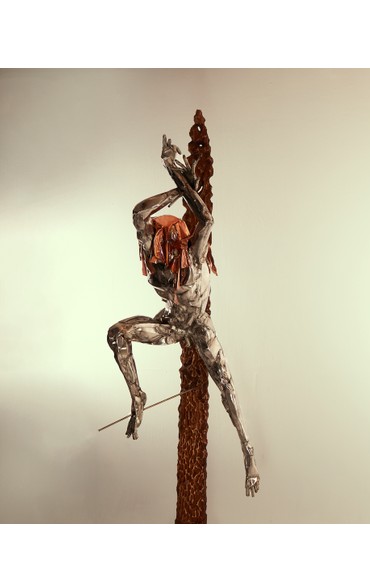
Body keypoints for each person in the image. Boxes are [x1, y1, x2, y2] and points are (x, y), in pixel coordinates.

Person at [107, 136, 260, 497]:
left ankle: (248, 453)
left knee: (225, 384)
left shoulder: (194, 252)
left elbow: (206, 217)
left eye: (165, 242)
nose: (158, 251)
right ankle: (138, 397)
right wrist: (175, 185)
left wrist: (179, 175)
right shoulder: (157, 260)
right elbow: (138, 214)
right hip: (172, 323)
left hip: (198, 324)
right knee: (117, 334)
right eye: (157, 243)